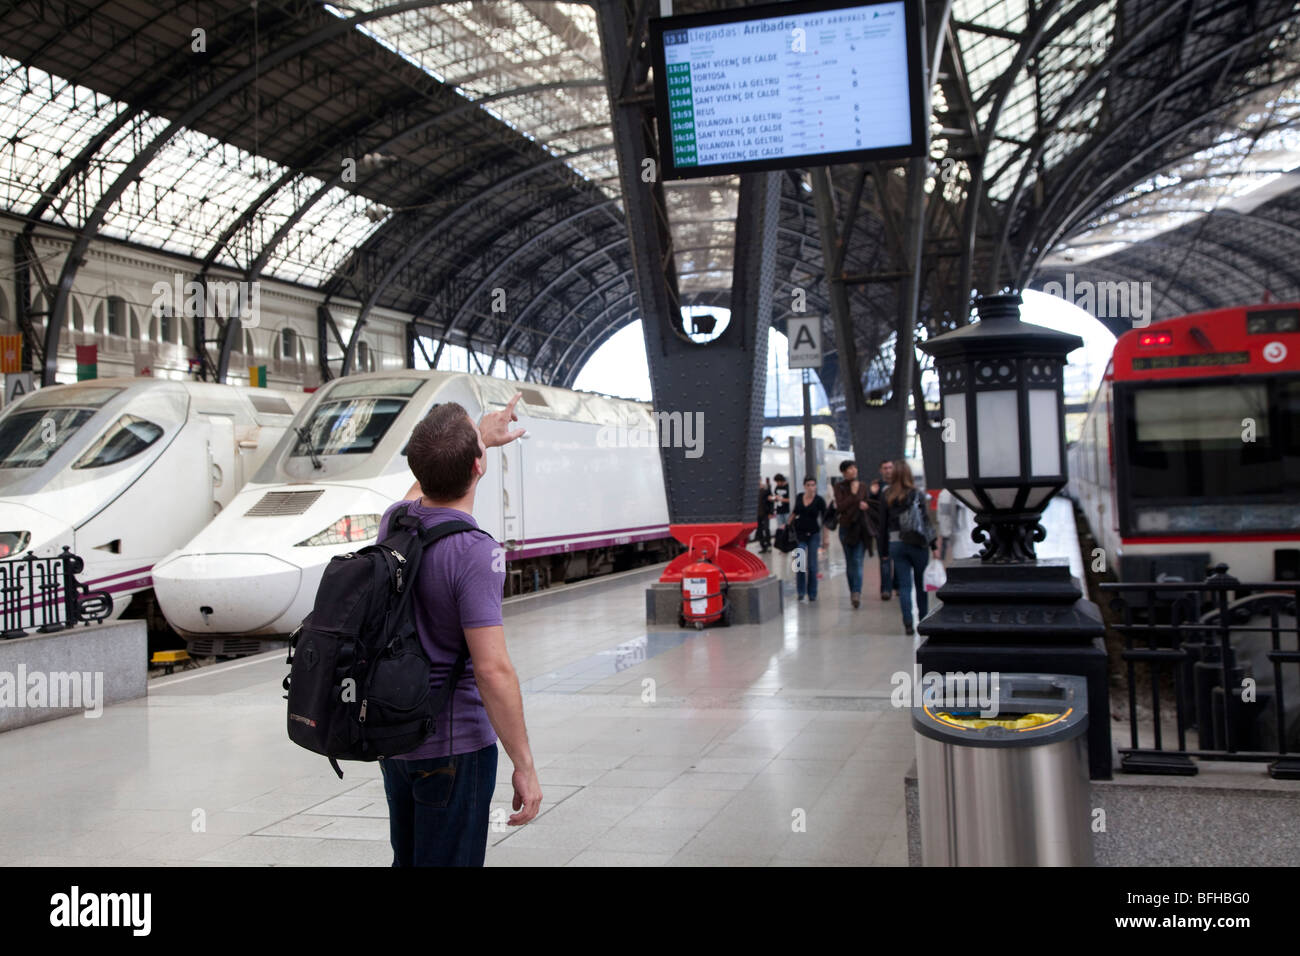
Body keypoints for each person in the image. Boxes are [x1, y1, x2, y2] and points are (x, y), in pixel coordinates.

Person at [377, 394, 542, 866]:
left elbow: (423, 483)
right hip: (456, 745)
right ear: (479, 465)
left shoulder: (397, 522)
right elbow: (492, 671)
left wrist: (473, 441)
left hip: (399, 739)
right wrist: (524, 765)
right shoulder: (477, 552)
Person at [881, 459, 940, 636]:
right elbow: (926, 522)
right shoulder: (917, 494)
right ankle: (923, 620)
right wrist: (934, 545)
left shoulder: (887, 495)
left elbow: (882, 526)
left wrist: (883, 551)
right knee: (921, 584)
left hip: (896, 544)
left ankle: (907, 622)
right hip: (917, 543)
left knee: (904, 586)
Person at [831, 460, 872, 608]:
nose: (853, 470)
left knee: (857, 560)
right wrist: (854, 495)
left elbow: (868, 503)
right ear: (843, 472)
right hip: (846, 529)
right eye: (850, 469)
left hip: (860, 529)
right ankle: (852, 591)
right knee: (849, 561)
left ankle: (856, 592)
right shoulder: (839, 487)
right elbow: (840, 507)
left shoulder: (863, 486)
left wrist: (866, 505)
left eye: (855, 467)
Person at [791, 475, 827, 602]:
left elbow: (825, 520)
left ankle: (812, 593)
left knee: (812, 565)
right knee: (799, 563)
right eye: (809, 485)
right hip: (800, 534)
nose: (811, 487)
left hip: (814, 534)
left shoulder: (819, 500)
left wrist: (825, 539)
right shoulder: (799, 497)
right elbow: (795, 512)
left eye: (813, 485)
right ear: (804, 486)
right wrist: (787, 527)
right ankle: (801, 591)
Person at [868, 459, 895, 600]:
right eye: (885, 468)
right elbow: (871, 506)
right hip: (882, 528)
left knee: (898, 559)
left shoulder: (900, 484)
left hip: (897, 529)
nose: (888, 470)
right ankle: (886, 589)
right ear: (881, 470)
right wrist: (872, 494)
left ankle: (897, 586)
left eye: (890, 467)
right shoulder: (877, 487)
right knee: (884, 559)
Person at [755, 477, 773, 552]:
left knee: (766, 528)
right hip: (757, 513)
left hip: (765, 512)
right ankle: (763, 546)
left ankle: (768, 544)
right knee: (759, 530)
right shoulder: (754, 490)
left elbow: (771, 501)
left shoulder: (766, 489)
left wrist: (770, 512)